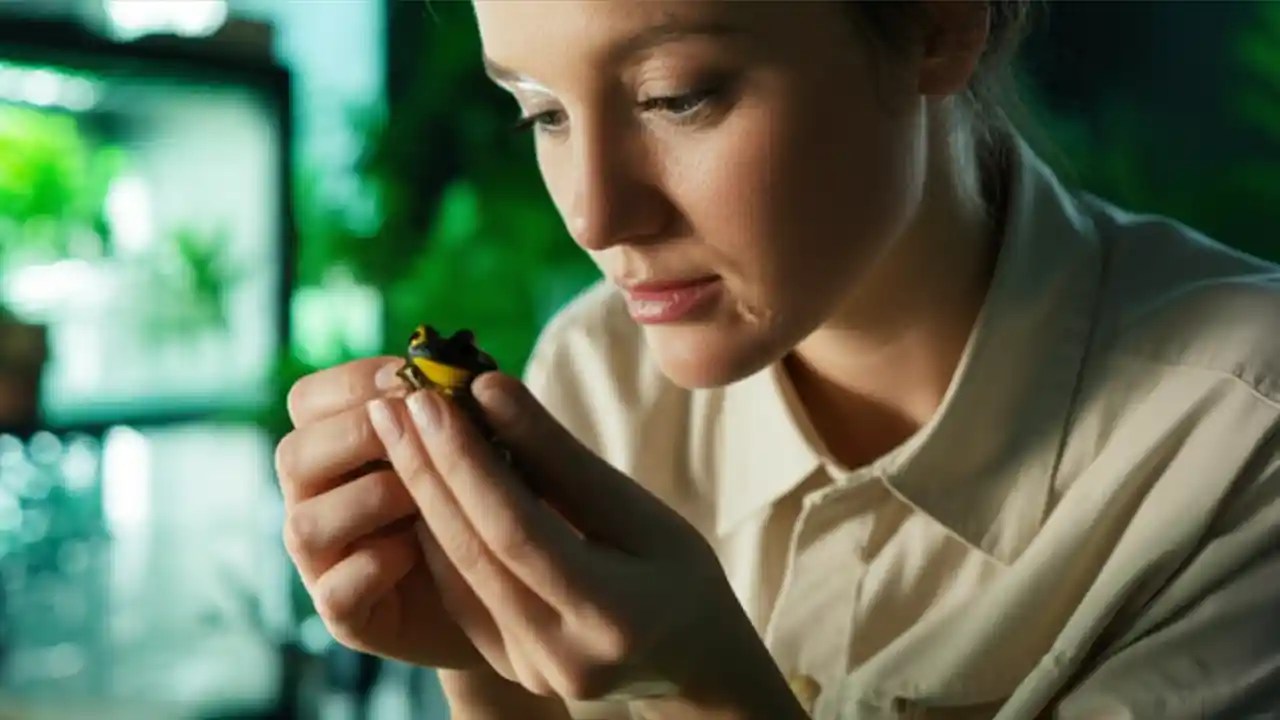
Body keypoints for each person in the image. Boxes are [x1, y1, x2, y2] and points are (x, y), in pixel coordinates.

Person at [273, 2, 1280, 718]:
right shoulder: (590, 376)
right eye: (543, 113)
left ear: (936, 23)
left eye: (677, 97)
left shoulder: (1241, 433)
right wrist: (485, 649)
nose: (592, 214)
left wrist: (699, 689)